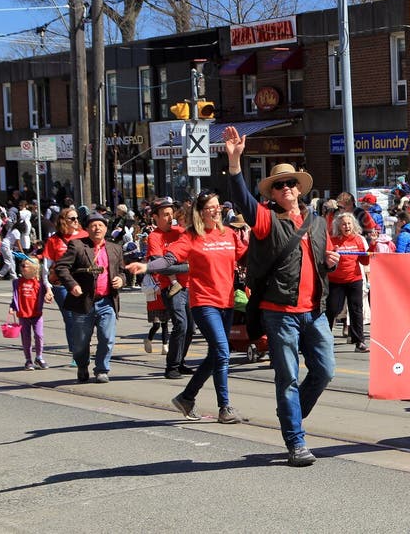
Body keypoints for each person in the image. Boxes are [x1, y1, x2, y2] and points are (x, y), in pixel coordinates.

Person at [224, 126, 341, 468]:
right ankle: (295, 441)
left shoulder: (317, 222)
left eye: (291, 183)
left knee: (325, 371)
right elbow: (243, 199)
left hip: (314, 312)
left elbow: (323, 259)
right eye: (279, 185)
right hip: (281, 312)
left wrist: (329, 261)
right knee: (287, 377)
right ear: (272, 193)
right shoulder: (266, 220)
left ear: (299, 189)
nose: (286, 188)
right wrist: (235, 163)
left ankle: (290, 413)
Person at [128, 191, 247, 423]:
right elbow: (169, 260)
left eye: (218, 206)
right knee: (222, 351)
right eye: (210, 207)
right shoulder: (191, 237)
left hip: (228, 301)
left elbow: (246, 258)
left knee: (216, 354)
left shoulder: (229, 234)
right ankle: (225, 408)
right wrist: (147, 267)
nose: (216, 210)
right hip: (204, 302)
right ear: (201, 212)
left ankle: (187, 397)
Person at [54, 212, 126, 384]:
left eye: (100, 225)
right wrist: (72, 285)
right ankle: (82, 365)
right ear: (87, 229)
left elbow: (123, 271)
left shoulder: (115, 248)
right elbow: (61, 267)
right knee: (80, 341)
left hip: (107, 301)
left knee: (107, 338)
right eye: (93, 225)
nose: (97, 228)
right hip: (83, 302)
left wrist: (121, 280)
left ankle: (101, 369)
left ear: (106, 228)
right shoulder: (77, 246)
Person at [144, 198, 194, 379]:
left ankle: (180, 362)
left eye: (171, 213)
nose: (169, 217)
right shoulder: (154, 237)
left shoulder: (180, 232)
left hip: (189, 285)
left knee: (190, 328)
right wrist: (187, 267)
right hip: (170, 287)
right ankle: (171, 366)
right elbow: (160, 267)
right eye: (165, 214)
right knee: (180, 324)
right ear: (155, 217)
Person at [42, 206, 88, 365]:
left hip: (83, 284)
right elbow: (46, 266)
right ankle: (76, 352)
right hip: (61, 285)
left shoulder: (85, 236)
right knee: (70, 318)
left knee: (84, 318)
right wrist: (47, 287)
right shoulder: (54, 240)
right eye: (72, 219)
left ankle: (82, 348)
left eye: (77, 219)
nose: (76, 221)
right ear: (63, 221)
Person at [327, 211, 371, 351]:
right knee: (333, 309)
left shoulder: (358, 239)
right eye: (343, 224)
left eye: (349, 224)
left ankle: (359, 341)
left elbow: (364, 261)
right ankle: (324, 338)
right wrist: (333, 252)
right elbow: (326, 260)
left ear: (353, 225)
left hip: (354, 279)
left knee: (356, 310)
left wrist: (373, 246)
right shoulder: (333, 240)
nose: (346, 227)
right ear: (338, 227)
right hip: (336, 281)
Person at [10, 256, 53, 370]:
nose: (22, 268)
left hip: (36, 314)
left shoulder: (39, 283)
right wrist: (12, 307)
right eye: (21, 266)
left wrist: (47, 297)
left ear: (33, 268)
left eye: (25, 266)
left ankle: (39, 357)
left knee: (39, 335)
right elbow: (15, 297)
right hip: (23, 315)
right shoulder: (17, 282)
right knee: (26, 338)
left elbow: (46, 294)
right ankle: (28, 360)